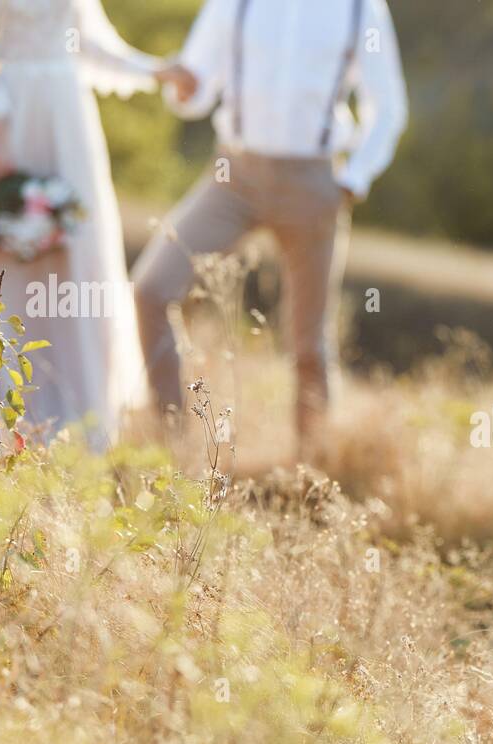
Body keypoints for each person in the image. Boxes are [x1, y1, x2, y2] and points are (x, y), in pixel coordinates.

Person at [0, 0, 190, 447]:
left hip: (64, 120)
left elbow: (88, 42)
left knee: (67, 258)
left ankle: (72, 413)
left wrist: (155, 70)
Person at [132, 0, 408, 458]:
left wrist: (353, 179)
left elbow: (390, 107)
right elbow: (197, 86)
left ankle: (311, 475)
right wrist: (183, 89)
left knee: (308, 344)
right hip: (232, 176)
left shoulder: (361, 9)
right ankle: (169, 447)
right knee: (151, 289)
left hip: (314, 182)